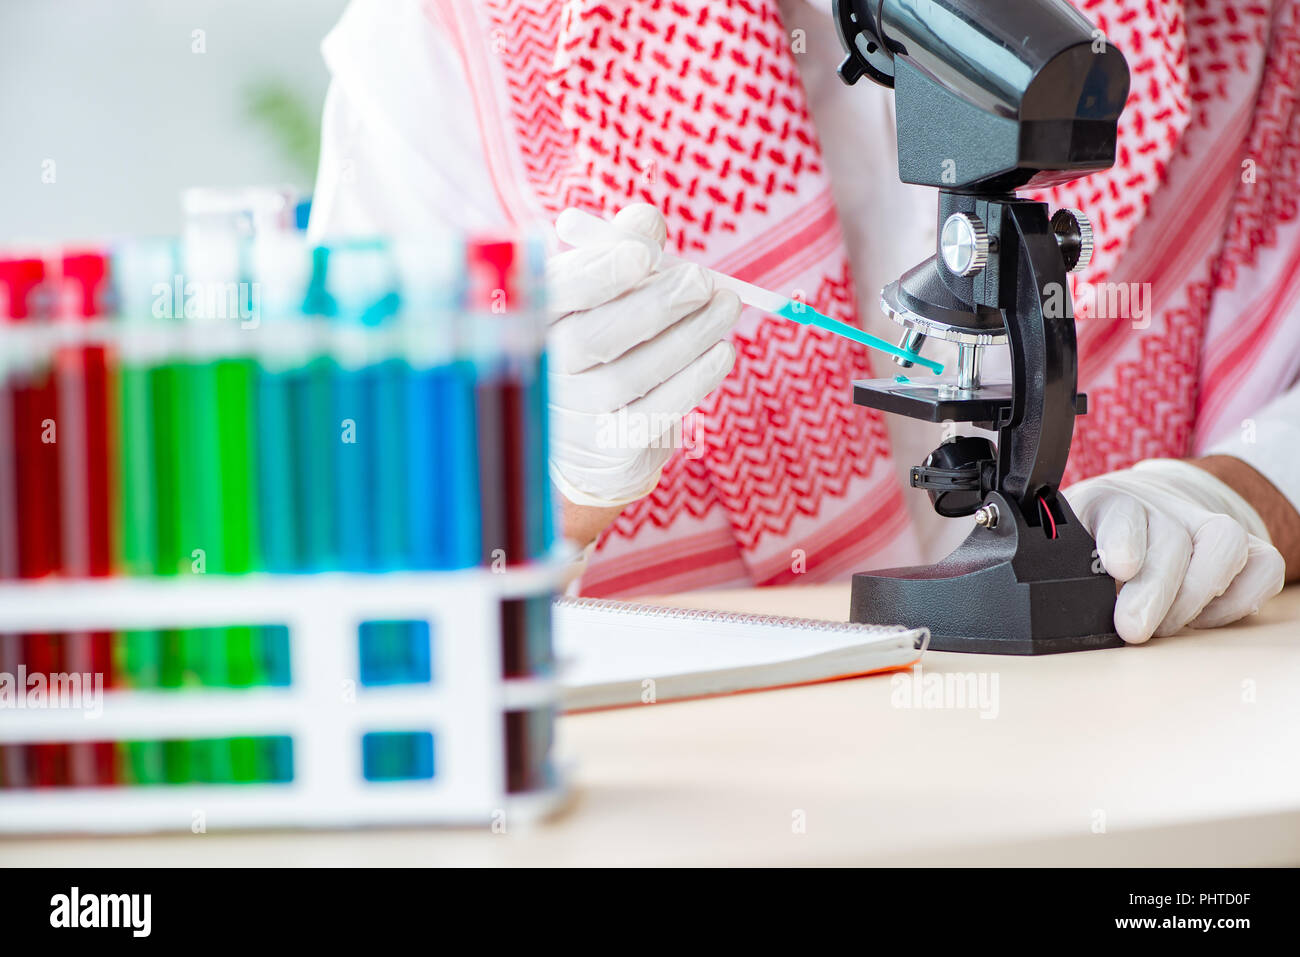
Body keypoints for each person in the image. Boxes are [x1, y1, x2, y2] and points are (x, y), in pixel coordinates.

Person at [307, 0, 1300, 643]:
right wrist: (538, 487)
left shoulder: (1237, 24)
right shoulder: (447, 48)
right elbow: (348, 565)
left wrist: (1230, 494)